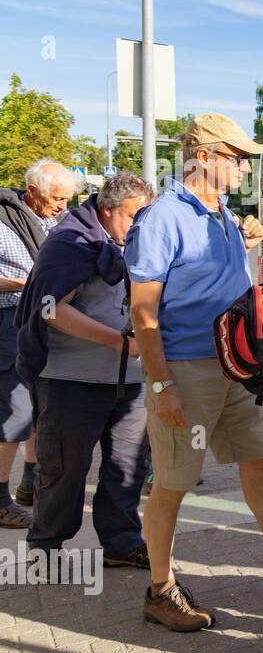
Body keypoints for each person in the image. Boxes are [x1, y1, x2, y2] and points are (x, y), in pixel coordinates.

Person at [125, 112, 263, 632]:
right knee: (174, 483)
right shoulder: (162, 217)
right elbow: (143, 312)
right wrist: (162, 384)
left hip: (233, 367)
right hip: (186, 368)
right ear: (203, 157)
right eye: (237, 157)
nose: (246, 167)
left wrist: (248, 245)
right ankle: (160, 590)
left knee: (259, 460)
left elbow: (219, 284)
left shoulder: (222, 212)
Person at [17, 172, 153, 566]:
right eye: (132, 218)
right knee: (65, 468)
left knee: (127, 467)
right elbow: (50, 308)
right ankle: (46, 548)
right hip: (70, 379)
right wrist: (117, 341)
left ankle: (122, 543)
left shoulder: (137, 242)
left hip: (130, 379)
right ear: (107, 210)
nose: (139, 227)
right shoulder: (69, 242)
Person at [0, 159, 74, 528]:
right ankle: (0, 501)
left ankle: (29, 485)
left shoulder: (58, 222)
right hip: (10, 323)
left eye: (66, 199)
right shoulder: (2, 223)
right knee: (13, 413)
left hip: (45, 324)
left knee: (40, 407)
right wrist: (25, 283)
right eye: (56, 198)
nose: (62, 205)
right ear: (32, 193)